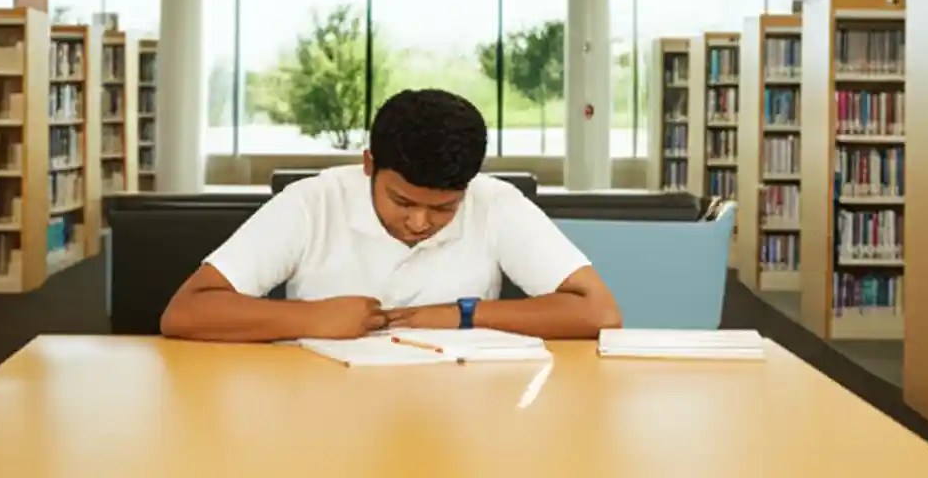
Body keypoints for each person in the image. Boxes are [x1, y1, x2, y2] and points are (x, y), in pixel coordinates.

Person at [160, 88, 622, 342]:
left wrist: (465, 315)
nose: (420, 223)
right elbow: (186, 312)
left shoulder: (495, 202)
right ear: (368, 165)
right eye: (402, 202)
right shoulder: (311, 202)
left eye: (443, 208)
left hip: (460, 409)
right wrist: (309, 319)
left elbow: (598, 311)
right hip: (319, 411)